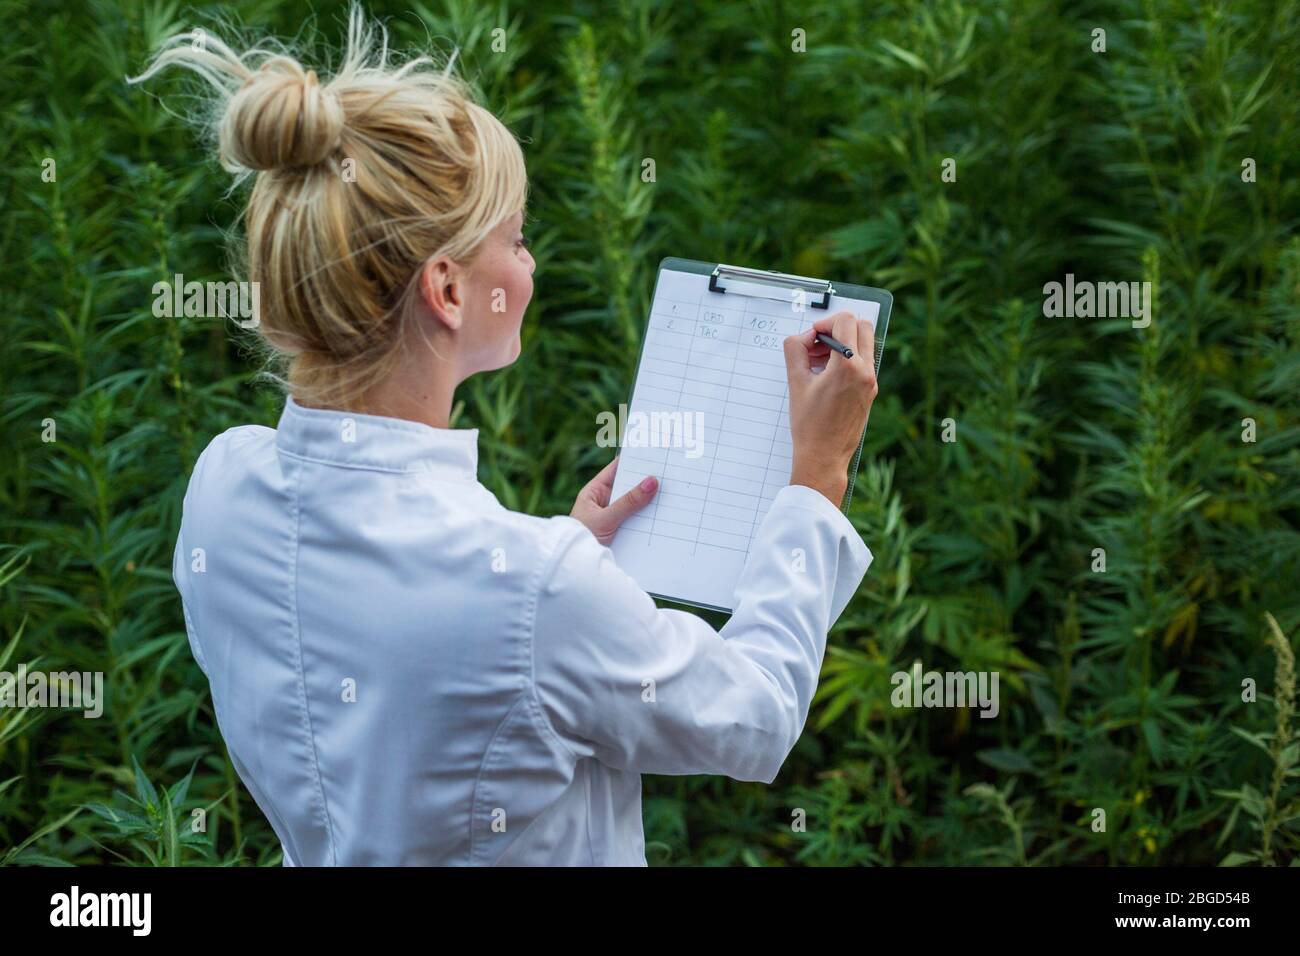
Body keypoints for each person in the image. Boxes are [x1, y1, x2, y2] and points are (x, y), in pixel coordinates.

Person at [133, 6, 878, 866]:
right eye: (517, 239)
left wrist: (558, 556)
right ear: (447, 291)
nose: (530, 265)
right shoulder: (536, 591)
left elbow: (401, 647)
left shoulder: (222, 488)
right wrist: (816, 479)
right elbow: (752, 717)